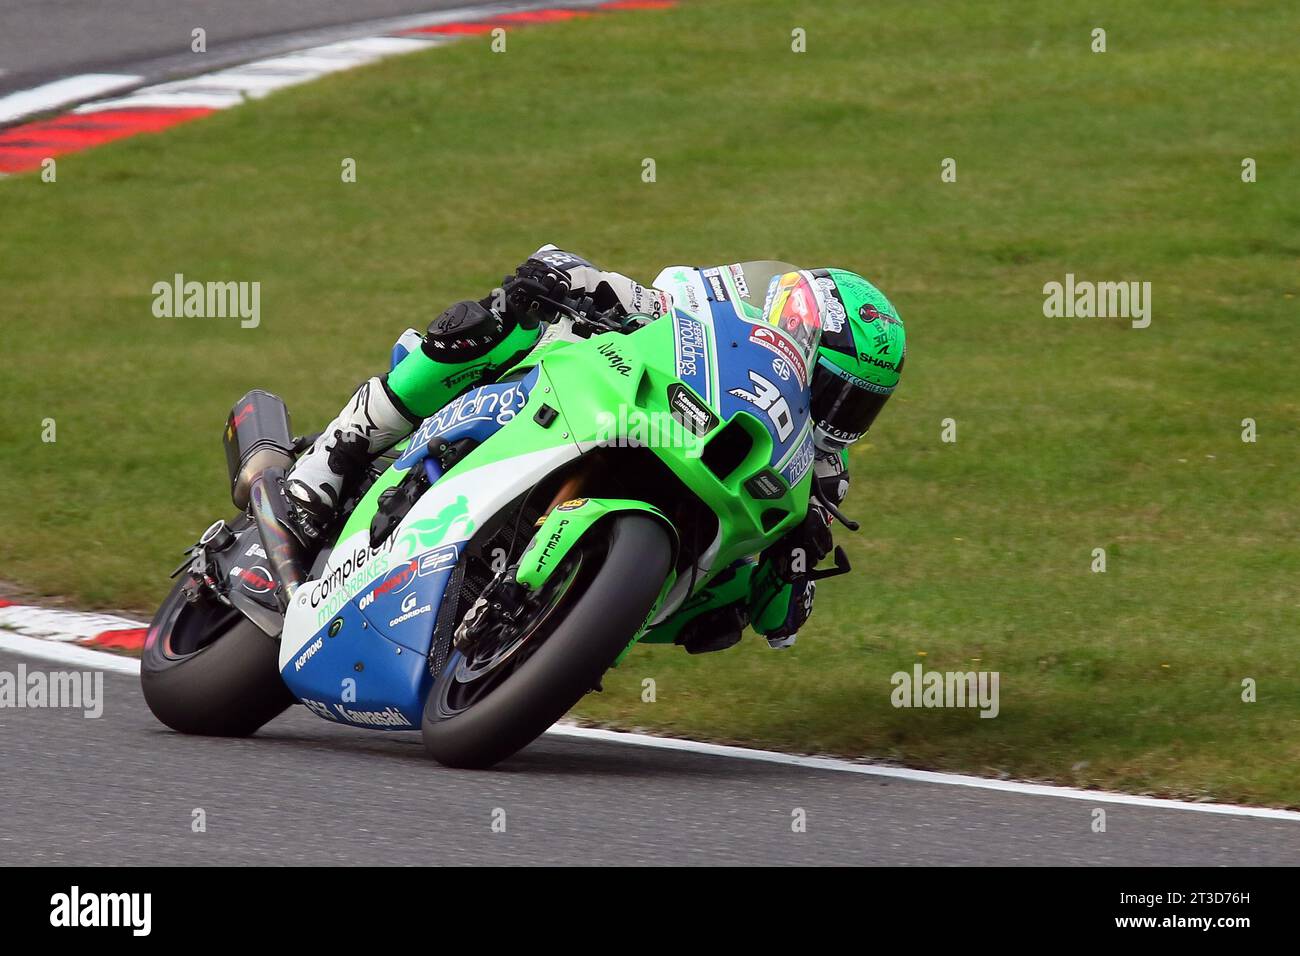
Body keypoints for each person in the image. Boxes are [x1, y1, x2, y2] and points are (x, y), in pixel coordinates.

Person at [283, 245, 906, 649]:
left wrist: (798, 567)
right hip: (622, 402)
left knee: (728, 609)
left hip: (694, 502)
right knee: (501, 318)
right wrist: (579, 282)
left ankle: (568, 624)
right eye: (835, 387)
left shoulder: (822, 470)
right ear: (798, 325)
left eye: (860, 403)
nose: (840, 412)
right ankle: (340, 450)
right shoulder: (720, 303)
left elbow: (783, 628)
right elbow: (651, 298)